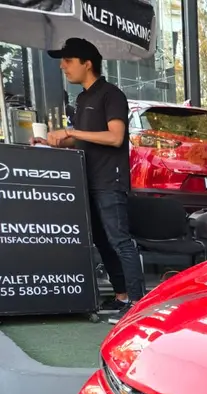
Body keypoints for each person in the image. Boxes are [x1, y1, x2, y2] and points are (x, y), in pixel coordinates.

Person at [35, 38, 145, 323]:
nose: (62, 67)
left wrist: (72, 133)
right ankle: (121, 296)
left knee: (120, 241)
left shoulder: (111, 94)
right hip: (88, 181)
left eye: (68, 61)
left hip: (110, 180)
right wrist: (52, 142)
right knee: (102, 241)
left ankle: (137, 302)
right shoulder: (83, 99)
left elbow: (115, 137)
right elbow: (85, 142)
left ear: (87, 63)